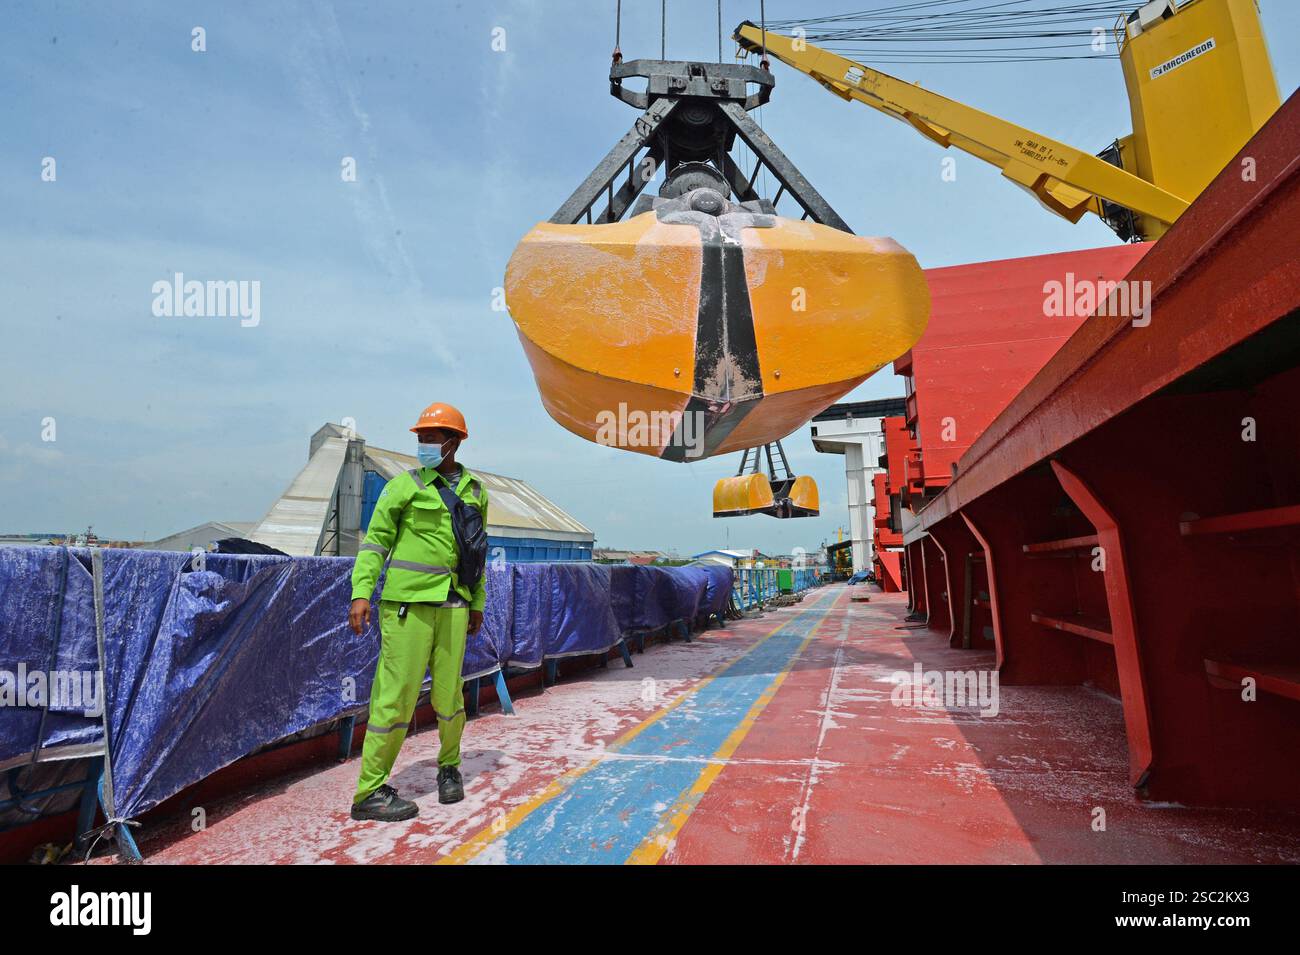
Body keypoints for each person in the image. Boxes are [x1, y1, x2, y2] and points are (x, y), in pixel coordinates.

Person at [347, 402, 488, 822]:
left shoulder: (477, 492)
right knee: (394, 699)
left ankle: (449, 767)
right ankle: (369, 791)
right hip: (406, 608)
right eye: (421, 438)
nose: (424, 444)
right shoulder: (403, 487)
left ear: (454, 442)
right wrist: (361, 593)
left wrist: (476, 602)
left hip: (454, 607)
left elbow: (477, 554)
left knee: (450, 696)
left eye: (432, 438)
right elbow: (375, 544)